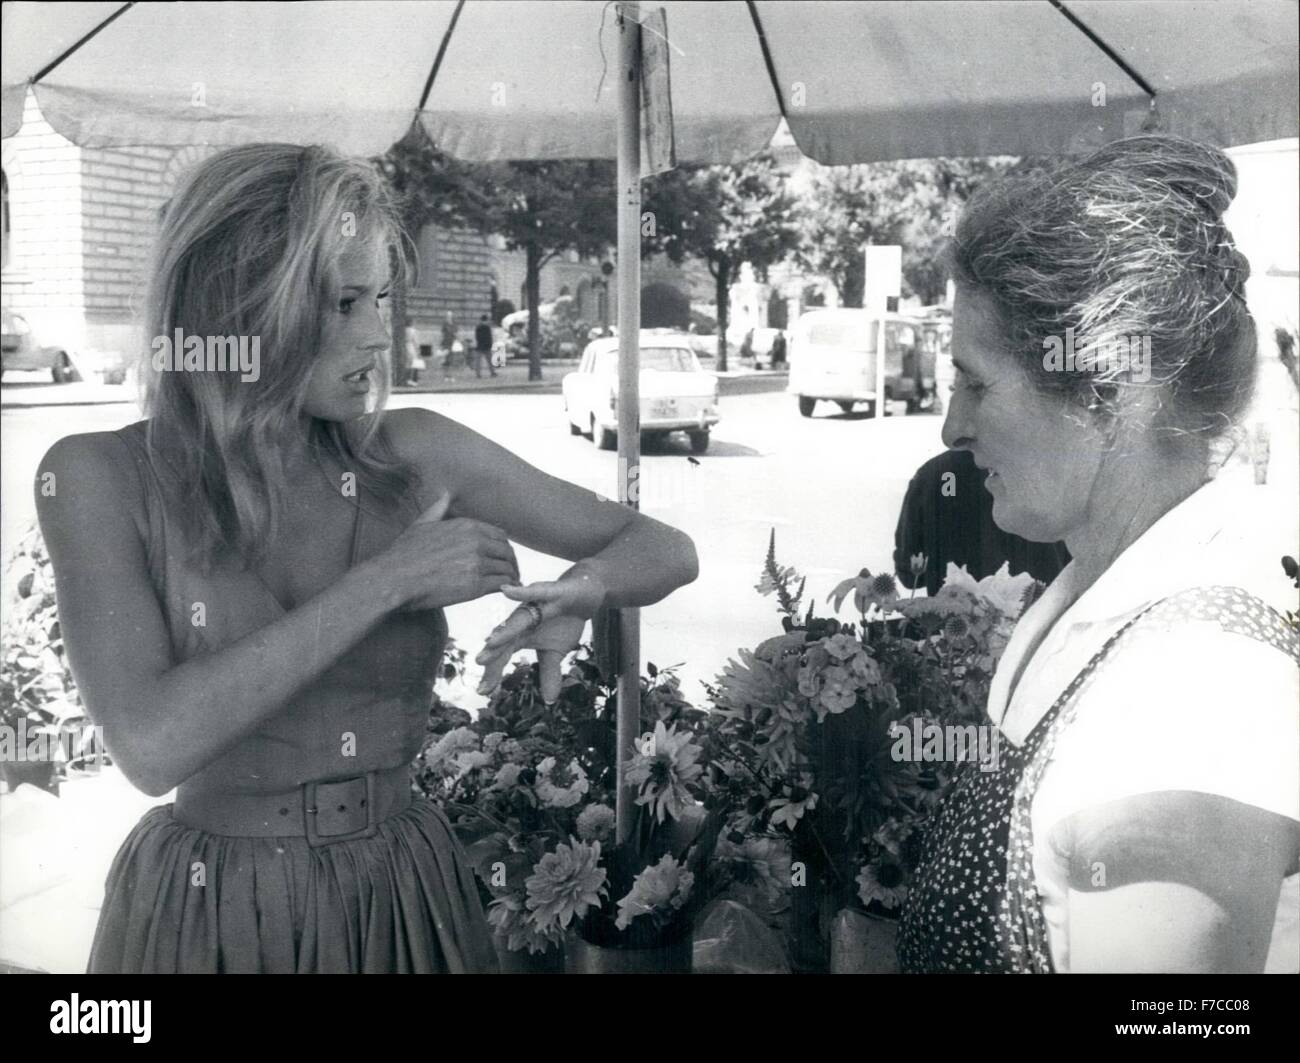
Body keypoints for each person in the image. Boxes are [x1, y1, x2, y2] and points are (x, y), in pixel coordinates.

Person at [35, 143, 699, 973]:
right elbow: (150, 743)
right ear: (238, 304)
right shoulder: (96, 476)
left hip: (404, 890)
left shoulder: (413, 452)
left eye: (380, 298)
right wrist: (389, 580)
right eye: (344, 301)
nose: (376, 336)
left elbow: (666, 548)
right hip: (217, 909)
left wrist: (583, 588)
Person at [896, 135, 1299, 973]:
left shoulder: (1194, 690)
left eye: (975, 382)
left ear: (1113, 389)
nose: (951, 429)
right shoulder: (1095, 590)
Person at [893, 448, 1069, 596]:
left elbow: (909, 573)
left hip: (958, 621)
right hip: (1041, 618)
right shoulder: (1055, 468)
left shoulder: (936, 473)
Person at [473, 314, 497, 378]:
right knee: (489, 361)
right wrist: (490, 345)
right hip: (486, 347)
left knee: (478, 361)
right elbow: (489, 338)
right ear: (486, 320)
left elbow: (477, 337)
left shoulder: (478, 327)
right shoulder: (487, 328)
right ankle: (492, 372)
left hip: (480, 346)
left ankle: (478, 374)